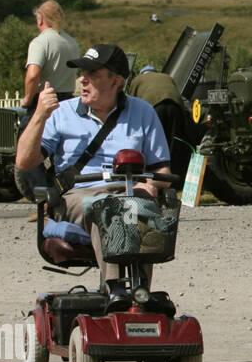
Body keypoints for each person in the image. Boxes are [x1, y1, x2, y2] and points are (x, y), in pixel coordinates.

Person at [16, 44, 171, 297]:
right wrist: (39, 115)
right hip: (80, 195)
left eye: (92, 75)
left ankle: (140, 295)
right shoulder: (61, 114)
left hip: (129, 190)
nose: (82, 80)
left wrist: (152, 183)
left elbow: (162, 169)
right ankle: (116, 291)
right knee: (107, 209)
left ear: (116, 81)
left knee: (139, 207)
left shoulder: (143, 112)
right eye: (82, 74)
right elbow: (23, 162)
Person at [23, 0, 81, 121]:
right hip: (68, 103)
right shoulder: (72, 42)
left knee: (25, 136)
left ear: (40, 20)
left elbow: (33, 75)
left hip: (44, 101)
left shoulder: (40, 42)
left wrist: (28, 99)